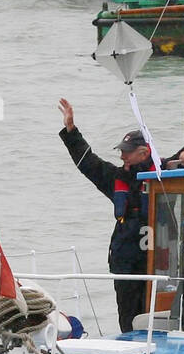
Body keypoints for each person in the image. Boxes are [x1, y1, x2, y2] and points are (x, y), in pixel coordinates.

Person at [58, 100, 156, 333]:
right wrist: (71, 131)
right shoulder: (116, 179)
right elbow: (88, 163)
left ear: (144, 153)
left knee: (155, 318)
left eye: (127, 152)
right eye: (121, 151)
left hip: (157, 267)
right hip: (124, 266)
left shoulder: (165, 177)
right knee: (128, 321)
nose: (122, 156)